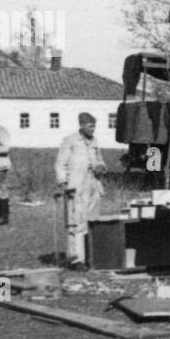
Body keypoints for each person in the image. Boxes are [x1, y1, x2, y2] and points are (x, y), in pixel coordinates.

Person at [55, 112, 107, 270]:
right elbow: (60, 163)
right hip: (75, 189)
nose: (93, 129)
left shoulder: (94, 142)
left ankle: (90, 256)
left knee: (92, 222)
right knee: (76, 224)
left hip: (93, 187)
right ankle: (76, 259)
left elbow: (101, 161)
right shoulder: (70, 141)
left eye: (94, 126)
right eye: (90, 126)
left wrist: (101, 167)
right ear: (82, 125)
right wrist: (64, 184)